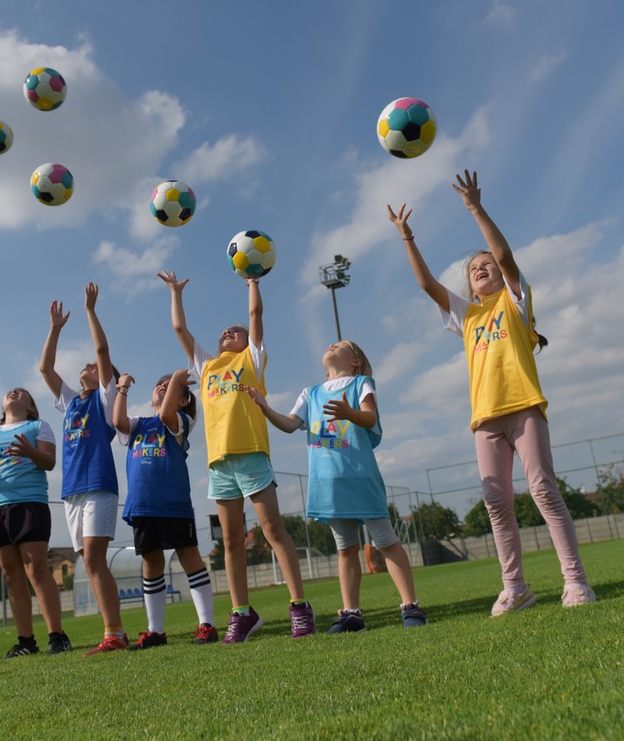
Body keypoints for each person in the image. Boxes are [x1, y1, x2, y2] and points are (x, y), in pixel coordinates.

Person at [388, 169, 596, 615]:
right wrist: (407, 238)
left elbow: (505, 256)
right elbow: (427, 286)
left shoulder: (514, 302)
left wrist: (475, 209)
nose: (480, 270)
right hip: (484, 418)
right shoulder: (467, 316)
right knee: (497, 501)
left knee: (543, 490)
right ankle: (516, 587)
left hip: (523, 408)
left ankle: (575, 581)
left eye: (486, 267)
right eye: (472, 270)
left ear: (500, 277)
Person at [157, 270, 315, 642]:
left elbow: (256, 318)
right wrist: (176, 294)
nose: (229, 332)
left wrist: (253, 284)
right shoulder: (208, 366)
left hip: (252, 456)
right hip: (220, 464)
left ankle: (300, 608)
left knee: (273, 530)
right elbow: (180, 331)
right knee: (229, 542)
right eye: (224, 331)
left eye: (235, 330)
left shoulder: (252, 359)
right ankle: (242, 614)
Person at [241, 340, 426, 633]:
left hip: (360, 477)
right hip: (327, 484)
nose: (331, 345)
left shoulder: (361, 383)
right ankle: (351, 615)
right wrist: (265, 407)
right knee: (345, 549)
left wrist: (349, 413)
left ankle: (410, 606)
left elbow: (369, 417)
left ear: (355, 361)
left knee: (386, 541)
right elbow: (290, 424)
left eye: (340, 344)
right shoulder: (310, 393)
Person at [40, 283, 128, 655]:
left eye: (95, 367)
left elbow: (103, 350)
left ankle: (115, 634)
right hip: (72, 492)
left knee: (93, 558)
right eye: (88, 365)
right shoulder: (72, 402)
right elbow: (45, 368)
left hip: (98, 486)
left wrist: (90, 310)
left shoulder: (106, 401)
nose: (89, 365)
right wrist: (55, 329)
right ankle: (113, 633)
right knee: (86, 562)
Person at [0, 388, 72, 657]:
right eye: (11, 392)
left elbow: (49, 462)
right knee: (11, 575)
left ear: (31, 406)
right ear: (2, 405)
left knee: (37, 570)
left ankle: (57, 636)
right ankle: (26, 642)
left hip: (30, 504)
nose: (15, 392)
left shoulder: (38, 426)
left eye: (23, 393)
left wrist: (30, 452)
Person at [111, 368, 218, 648]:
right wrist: (121, 388)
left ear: (183, 400)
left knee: (189, 557)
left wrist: (178, 381)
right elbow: (118, 421)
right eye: (159, 384)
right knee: (151, 562)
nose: (162, 386)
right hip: (143, 505)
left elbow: (166, 414)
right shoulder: (139, 424)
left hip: (173, 503)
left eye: (170, 386)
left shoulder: (181, 419)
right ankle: (155, 631)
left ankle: (207, 624)